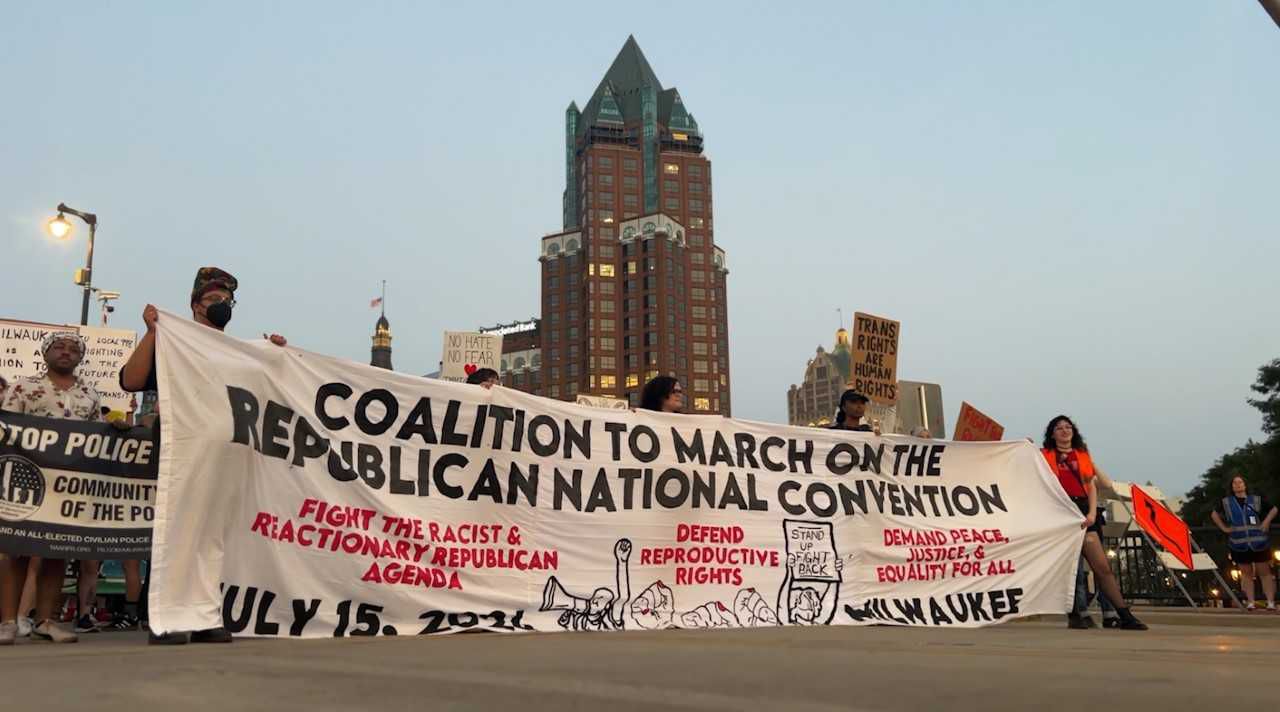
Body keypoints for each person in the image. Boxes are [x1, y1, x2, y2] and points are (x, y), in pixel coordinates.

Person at [119, 267, 286, 645]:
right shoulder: (176, 341)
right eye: (213, 300)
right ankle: (169, 616)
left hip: (227, 455)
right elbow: (131, 380)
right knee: (180, 525)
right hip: (182, 449)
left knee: (215, 533)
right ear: (195, 305)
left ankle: (205, 612)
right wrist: (153, 332)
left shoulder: (237, 353)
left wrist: (275, 355)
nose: (221, 306)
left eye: (226, 301)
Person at [1, 332, 110, 644]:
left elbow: (94, 439)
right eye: (59, 347)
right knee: (14, 550)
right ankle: (7, 621)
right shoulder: (24, 387)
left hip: (67, 487)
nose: (66, 352)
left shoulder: (90, 393)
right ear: (45, 353)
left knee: (56, 552)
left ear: (80, 357)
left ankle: (45, 620)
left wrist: (115, 430)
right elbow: (7, 428)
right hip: (25, 481)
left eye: (73, 349)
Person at [1041, 415, 1146, 630]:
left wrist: (1090, 513)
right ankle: (1075, 614)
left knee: (1102, 567)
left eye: (1068, 427)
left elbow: (1092, 487)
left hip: (1082, 512)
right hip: (1059, 512)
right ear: (1052, 433)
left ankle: (1124, 614)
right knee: (1068, 570)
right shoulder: (1044, 456)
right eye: (1059, 428)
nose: (1064, 430)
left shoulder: (1082, 456)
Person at [1211, 474, 1277, 612]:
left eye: (1240, 482)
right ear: (1231, 486)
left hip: (1259, 542)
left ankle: (1270, 602)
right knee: (1246, 574)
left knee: (1264, 573)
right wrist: (1224, 528)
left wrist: (1266, 522)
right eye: (1235, 483)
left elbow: (1274, 509)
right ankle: (1251, 602)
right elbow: (1214, 514)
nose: (1238, 485)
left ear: (1245, 485)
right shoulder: (1227, 502)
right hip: (1239, 543)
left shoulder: (1256, 499)